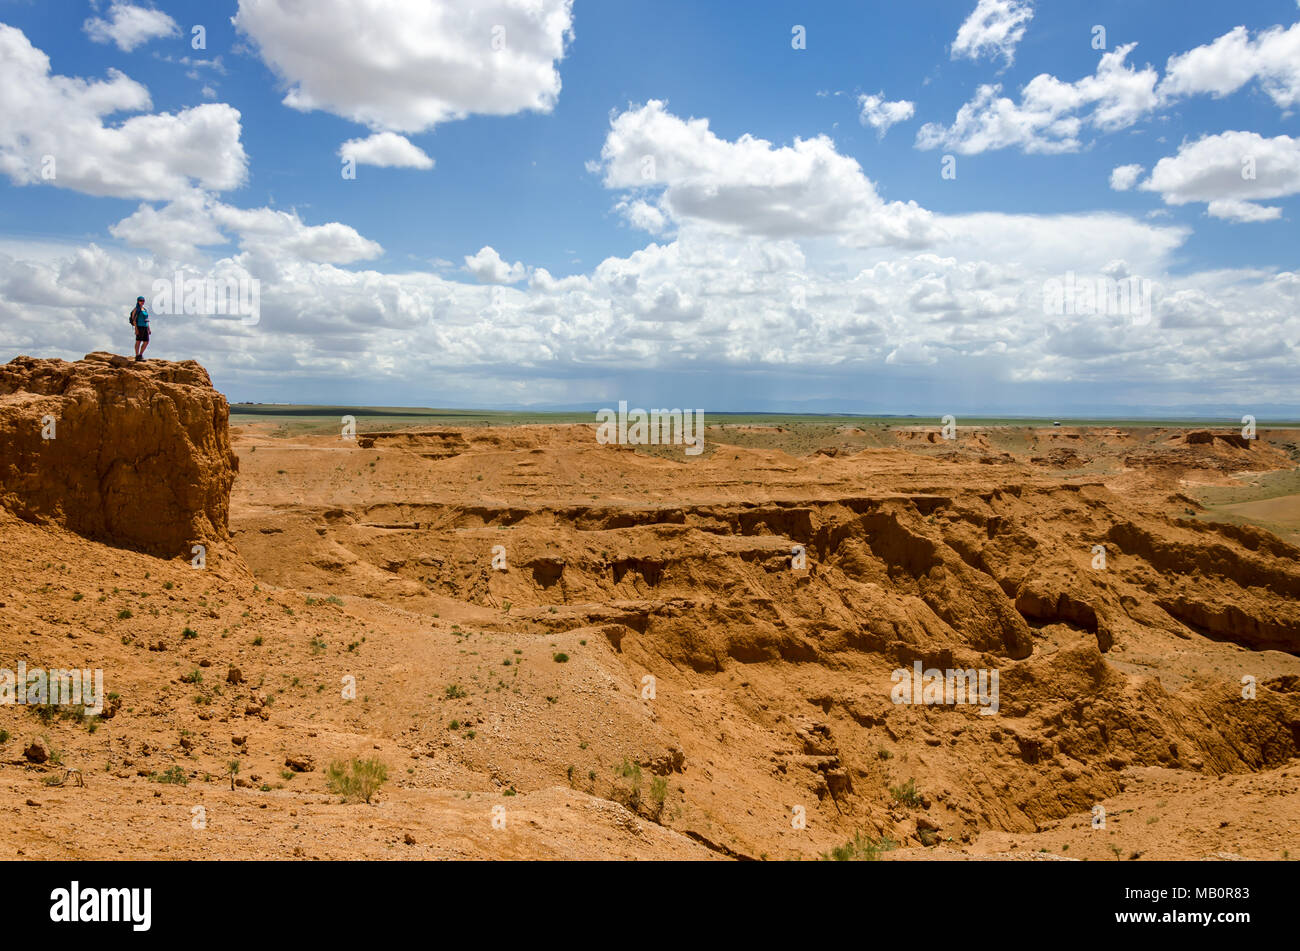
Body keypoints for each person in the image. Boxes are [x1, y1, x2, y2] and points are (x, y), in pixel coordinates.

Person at [129, 296, 151, 361]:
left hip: (145, 327)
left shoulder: (144, 309)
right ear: (138, 301)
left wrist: (149, 328)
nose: (142, 302)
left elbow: (147, 320)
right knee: (138, 341)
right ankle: (137, 356)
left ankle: (140, 355)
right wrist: (136, 329)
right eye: (140, 300)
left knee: (146, 342)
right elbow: (134, 320)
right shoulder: (136, 309)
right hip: (139, 327)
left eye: (143, 301)